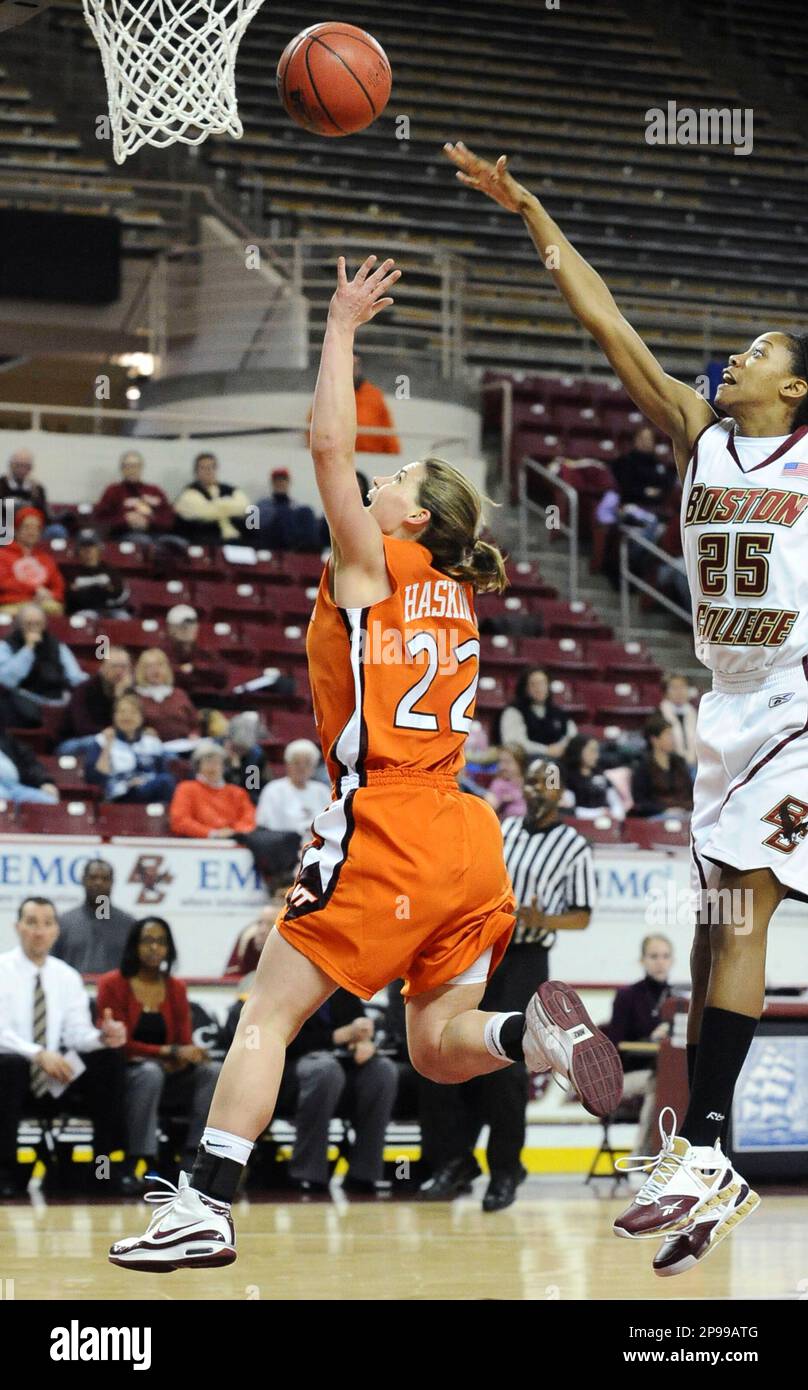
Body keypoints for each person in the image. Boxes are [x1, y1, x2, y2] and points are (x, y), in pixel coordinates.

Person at [110, 252, 620, 1271]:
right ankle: (540, 1033)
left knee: (266, 1010)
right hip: (467, 839)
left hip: (386, 823)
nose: (374, 484)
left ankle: (205, 1203)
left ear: (411, 517)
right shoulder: (456, 590)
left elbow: (324, 441)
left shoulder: (373, 563)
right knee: (439, 1042)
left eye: (392, 483)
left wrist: (339, 324)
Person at [446, 137, 788, 1272]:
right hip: (727, 707)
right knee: (709, 938)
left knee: (742, 910)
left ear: (795, 387)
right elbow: (607, 324)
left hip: (799, 697)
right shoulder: (698, 436)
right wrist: (533, 205)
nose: (731, 357)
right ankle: (705, 1163)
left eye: (758, 351)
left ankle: (710, 1152)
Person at [419, 757, 596, 1212]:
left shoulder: (574, 845)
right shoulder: (505, 829)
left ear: (561, 792)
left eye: (549, 784)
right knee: (452, 1054)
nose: (539, 790)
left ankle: (504, 1171)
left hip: (527, 960)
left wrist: (543, 919)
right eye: (534, 782)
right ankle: (455, 1162)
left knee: (506, 1068)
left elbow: (582, 915)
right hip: (480, 952)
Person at [0, 896, 134, 1200]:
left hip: (56, 1074)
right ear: (17, 927)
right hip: (16, 1071)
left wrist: (102, 1037)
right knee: (9, 1065)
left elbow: (76, 1035)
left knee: (109, 1059)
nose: (39, 931)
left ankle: (108, 1166)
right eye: (31, 922)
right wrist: (36, 1053)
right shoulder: (2, 969)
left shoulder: (67, 976)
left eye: (47, 923)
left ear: (56, 931)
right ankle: (5, 1170)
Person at [223, 984, 398, 1195]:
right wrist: (335, 1037)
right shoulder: (283, 986)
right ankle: (308, 1174)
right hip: (288, 1070)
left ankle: (365, 1173)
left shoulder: (341, 986)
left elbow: (355, 1026)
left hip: (338, 1069)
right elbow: (276, 1039)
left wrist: (363, 1043)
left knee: (382, 1071)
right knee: (324, 1070)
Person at [97, 918, 220, 1181]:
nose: (154, 948)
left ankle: (193, 1154)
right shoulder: (112, 984)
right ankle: (138, 1159)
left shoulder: (175, 987)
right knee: (149, 1072)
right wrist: (166, 1051)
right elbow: (121, 1043)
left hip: (170, 1073)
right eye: (147, 941)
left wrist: (188, 1054)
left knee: (212, 1071)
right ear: (134, 945)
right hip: (129, 1074)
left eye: (161, 942)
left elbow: (184, 1041)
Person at [603, 935, 673, 1154]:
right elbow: (614, 1045)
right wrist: (650, 1040)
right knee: (659, 1084)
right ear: (642, 960)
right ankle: (640, 1158)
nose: (660, 962)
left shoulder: (676, 998)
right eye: (653, 956)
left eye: (665, 956)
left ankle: (678, 1158)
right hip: (626, 1076)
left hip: (664, 1073)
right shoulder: (627, 996)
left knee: (673, 1083)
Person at [0, 602, 87, 727]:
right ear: (19, 625)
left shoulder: (57, 645)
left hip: (58, 700)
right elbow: (7, 680)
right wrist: (28, 649)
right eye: (29, 624)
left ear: (45, 624)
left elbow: (75, 676)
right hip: (22, 703)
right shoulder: (5, 646)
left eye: (38, 624)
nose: (34, 628)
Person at [84, 692, 175, 805]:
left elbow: (163, 773)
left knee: (167, 781)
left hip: (150, 790)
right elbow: (94, 778)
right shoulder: (101, 741)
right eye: (122, 712)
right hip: (119, 796)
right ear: (114, 716)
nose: (127, 716)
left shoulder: (152, 743)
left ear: (141, 717)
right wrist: (108, 747)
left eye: (133, 712)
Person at [52, 859, 137, 975]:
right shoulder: (63, 923)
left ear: (112, 882)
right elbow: (52, 965)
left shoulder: (129, 926)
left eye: (104, 879)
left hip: (115, 993)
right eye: (93, 877)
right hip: (72, 991)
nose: (98, 883)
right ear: (83, 880)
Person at [169, 739, 256, 839]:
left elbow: (250, 818)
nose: (212, 767)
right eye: (207, 762)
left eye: (217, 762)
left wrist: (234, 832)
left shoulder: (237, 792)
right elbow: (179, 820)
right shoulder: (186, 789)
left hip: (234, 843)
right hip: (199, 845)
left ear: (223, 767)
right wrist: (212, 833)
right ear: (198, 766)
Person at [94, 450, 179, 549]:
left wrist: (149, 521)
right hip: (124, 534)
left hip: (155, 533)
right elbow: (100, 520)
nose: (132, 470)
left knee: (177, 543)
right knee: (144, 542)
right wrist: (125, 519)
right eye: (127, 466)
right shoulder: (113, 491)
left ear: (141, 468)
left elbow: (169, 519)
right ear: (122, 469)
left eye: (135, 466)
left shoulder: (155, 491)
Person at [56, 645, 133, 754]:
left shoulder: (130, 691)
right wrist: (106, 733)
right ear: (103, 667)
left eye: (124, 667)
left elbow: (134, 723)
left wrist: (121, 697)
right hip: (75, 741)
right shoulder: (84, 689)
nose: (119, 671)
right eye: (115, 666)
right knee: (102, 743)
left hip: (114, 740)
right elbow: (81, 726)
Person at [255, 739, 331, 840]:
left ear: (314, 766)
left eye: (307, 763)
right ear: (287, 764)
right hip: (284, 846)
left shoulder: (323, 791)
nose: (302, 768)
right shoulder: (273, 790)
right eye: (297, 763)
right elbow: (268, 826)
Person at [173, 453, 250, 547]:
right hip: (206, 541)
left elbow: (246, 507)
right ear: (196, 471)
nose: (208, 471)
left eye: (211, 467)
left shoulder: (232, 490)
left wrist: (214, 506)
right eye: (203, 468)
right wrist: (229, 506)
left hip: (237, 540)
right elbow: (203, 513)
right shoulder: (188, 494)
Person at [499, 666, 577, 758]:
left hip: (558, 759)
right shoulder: (513, 711)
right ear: (525, 688)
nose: (539, 688)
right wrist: (545, 750)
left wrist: (561, 748)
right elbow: (513, 743)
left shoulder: (558, 712)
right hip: (527, 760)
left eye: (543, 683)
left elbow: (572, 735)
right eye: (533, 684)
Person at [0, 508, 65, 615]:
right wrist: (34, 590)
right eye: (27, 527)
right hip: (12, 603)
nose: (32, 532)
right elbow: (4, 582)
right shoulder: (2, 555)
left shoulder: (46, 559)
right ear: (16, 530)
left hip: (42, 604)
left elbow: (58, 585)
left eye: (36, 528)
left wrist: (51, 595)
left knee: (55, 608)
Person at [630, 715, 693, 819]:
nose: (673, 739)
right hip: (659, 815)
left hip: (685, 811)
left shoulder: (680, 762)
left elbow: (691, 792)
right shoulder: (643, 767)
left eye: (672, 735)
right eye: (668, 735)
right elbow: (641, 802)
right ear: (654, 739)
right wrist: (665, 810)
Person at [133, 648, 200, 743]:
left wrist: (194, 735)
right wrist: (143, 732)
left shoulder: (179, 694)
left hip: (184, 746)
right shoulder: (135, 697)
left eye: (159, 665)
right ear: (141, 670)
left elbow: (195, 724)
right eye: (149, 666)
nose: (155, 670)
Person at [64, 529, 131, 619]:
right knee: (86, 616)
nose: (88, 550)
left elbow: (119, 593)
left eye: (91, 546)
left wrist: (86, 591)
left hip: (110, 610)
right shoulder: (72, 573)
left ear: (99, 548)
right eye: (84, 546)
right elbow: (71, 597)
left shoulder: (110, 570)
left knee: (123, 617)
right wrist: (102, 590)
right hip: (84, 611)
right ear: (78, 550)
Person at [162, 605, 226, 695]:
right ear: (170, 628)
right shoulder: (161, 652)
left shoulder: (205, 651)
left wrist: (194, 667)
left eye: (191, 625)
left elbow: (221, 675)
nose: (187, 629)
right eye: (181, 626)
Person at [254, 467, 321, 552]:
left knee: (307, 511)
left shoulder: (296, 506)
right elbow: (255, 528)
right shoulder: (262, 504)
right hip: (270, 539)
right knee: (284, 512)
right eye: (277, 480)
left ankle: (308, 553)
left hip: (293, 541)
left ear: (288, 482)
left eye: (283, 480)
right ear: (272, 483)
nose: (280, 483)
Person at [0, 709, 59, 805]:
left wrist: (44, 781)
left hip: (15, 787)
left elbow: (28, 760)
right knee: (4, 802)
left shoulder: (4, 737)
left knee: (50, 801)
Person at [610, 424, 673, 514]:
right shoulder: (625, 462)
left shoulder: (659, 465)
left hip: (657, 508)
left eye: (649, 439)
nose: (645, 442)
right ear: (635, 440)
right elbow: (625, 486)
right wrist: (645, 491)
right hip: (631, 507)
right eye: (642, 439)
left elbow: (667, 486)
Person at [562, 734, 626, 821]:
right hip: (581, 823)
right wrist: (599, 813)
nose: (596, 756)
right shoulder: (567, 777)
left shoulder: (600, 774)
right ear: (578, 750)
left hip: (606, 822)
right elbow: (569, 810)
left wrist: (616, 815)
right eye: (592, 751)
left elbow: (616, 802)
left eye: (597, 751)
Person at [0, 449, 61, 535]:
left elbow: (45, 514)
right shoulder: (2, 484)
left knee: (57, 530)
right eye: (18, 465)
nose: (21, 469)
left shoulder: (37, 488)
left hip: (31, 525)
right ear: (10, 465)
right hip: (5, 524)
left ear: (31, 468)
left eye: (26, 466)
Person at [352, 353, 401, 454]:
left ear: (359, 368)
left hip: (372, 456)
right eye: (348, 365)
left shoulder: (374, 395)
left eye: (355, 365)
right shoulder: (331, 393)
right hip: (339, 456)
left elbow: (386, 426)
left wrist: (394, 453)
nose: (352, 369)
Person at [659, 673, 698, 771]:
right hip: (671, 767)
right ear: (666, 692)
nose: (679, 692)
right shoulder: (660, 714)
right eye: (674, 688)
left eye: (683, 687)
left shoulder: (694, 713)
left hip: (694, 765)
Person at [483, 743, 527, 820]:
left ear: (520, 763)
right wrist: (501, 802)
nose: (502, 766)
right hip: (508, 827)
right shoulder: (498, 784)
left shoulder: (530, 782)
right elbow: (490, 809)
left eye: (507, 762)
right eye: (500, 762)